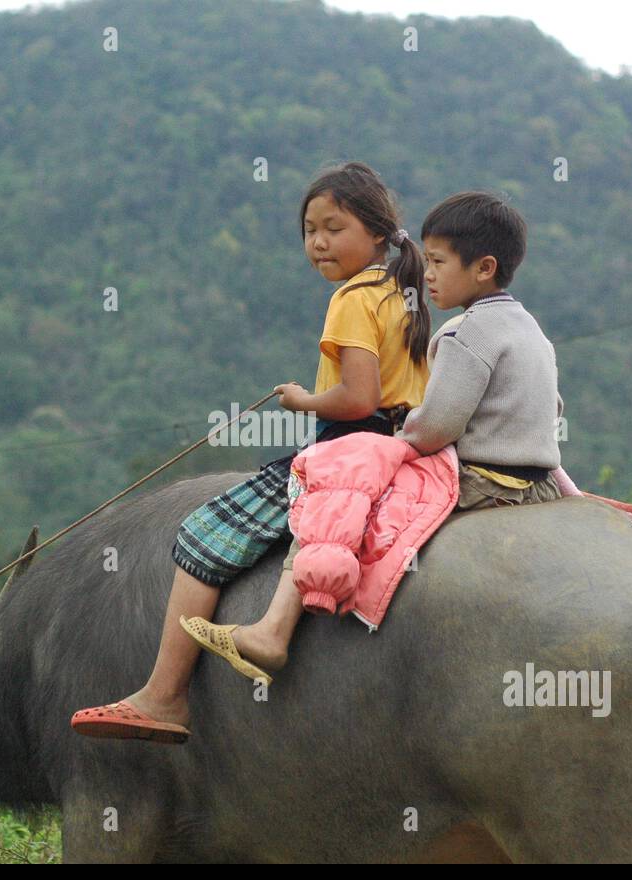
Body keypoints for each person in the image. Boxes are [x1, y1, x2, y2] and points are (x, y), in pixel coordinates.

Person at [70, 160, 431, 743]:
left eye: (333, 227)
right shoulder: (403, 291)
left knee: (202, 534)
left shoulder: (351, 299)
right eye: (309, 230)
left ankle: (163, 696)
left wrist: (304, 400)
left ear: (377, 232)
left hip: (348, 447)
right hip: (403, 451)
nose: (317, 241)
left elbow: (358, 397)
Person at [181, 190, 564, 683]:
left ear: (484, 268)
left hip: (483, 478)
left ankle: (273, 630)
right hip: (540, 480)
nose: (427, 275)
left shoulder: (466, 332)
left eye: (440, 263)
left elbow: (440, 423)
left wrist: (403, 441)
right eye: (427, 261)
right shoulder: (531, 330)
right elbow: (554, 409)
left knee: (341, 496)